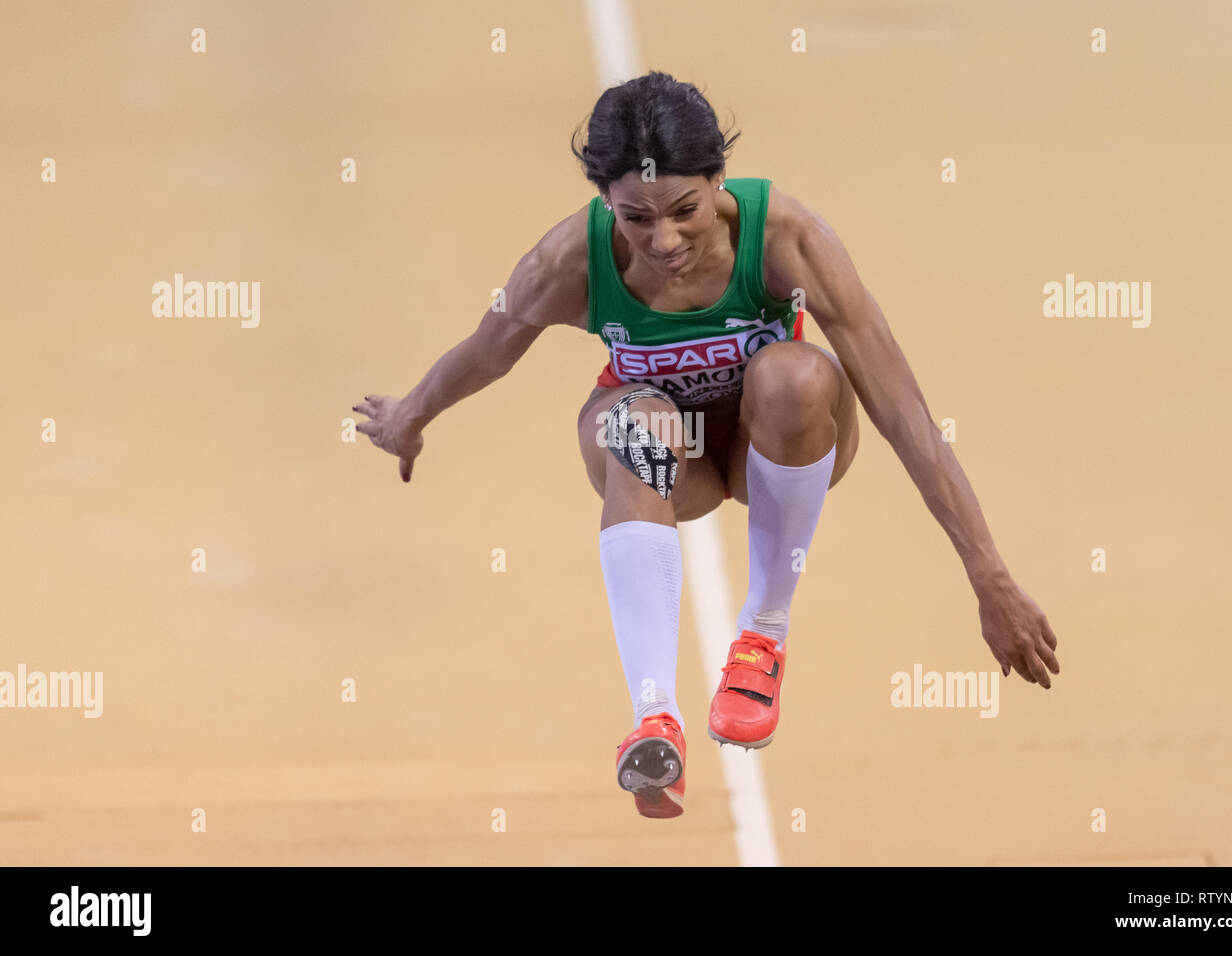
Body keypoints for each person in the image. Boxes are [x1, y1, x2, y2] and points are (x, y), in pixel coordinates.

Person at [352, 71, 1060, 820]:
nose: (663, 242)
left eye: (685, 211)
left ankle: (763, 635)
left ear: (719, 179)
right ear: (604, 202)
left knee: (798, 374)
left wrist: (990, 578)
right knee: (637, 421)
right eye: (634, 218)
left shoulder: (786, 238)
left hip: (775, 443)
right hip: (668, 460)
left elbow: (903, 409)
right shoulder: (569, 261)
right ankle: (654, 718)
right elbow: (485, 352)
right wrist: (411, 415)